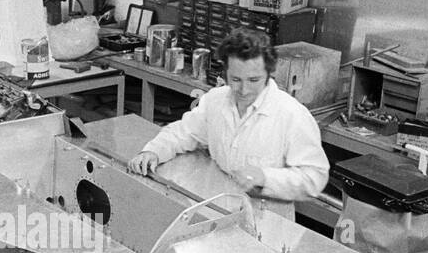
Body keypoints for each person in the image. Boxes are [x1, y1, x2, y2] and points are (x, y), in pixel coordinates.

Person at [127, 27, 329, 224]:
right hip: (216, 212)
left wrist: (266, 178)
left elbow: (314, 178)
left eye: (253, 80)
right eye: (236, 79)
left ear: (269, 72)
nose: (243, 89)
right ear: (225, 71)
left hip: (267, 222)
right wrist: (153, 151)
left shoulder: (291, 115)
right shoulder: (216, 100)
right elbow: (183, 133)